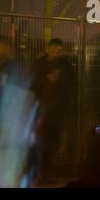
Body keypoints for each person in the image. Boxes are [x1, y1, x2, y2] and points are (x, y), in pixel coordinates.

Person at [31, 38, 76, 181]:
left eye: (58, 50)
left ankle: (46, 172)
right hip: (41, 110)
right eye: (53, 50)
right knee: (40, 141)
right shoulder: (38, 64)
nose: (55, 53)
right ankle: (38, 172)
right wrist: (47, 80)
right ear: (48, 49)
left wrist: (59, 79)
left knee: (53, 142)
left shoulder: (66, 65)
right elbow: (32, 83)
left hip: (58, 110)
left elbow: (72, 84)